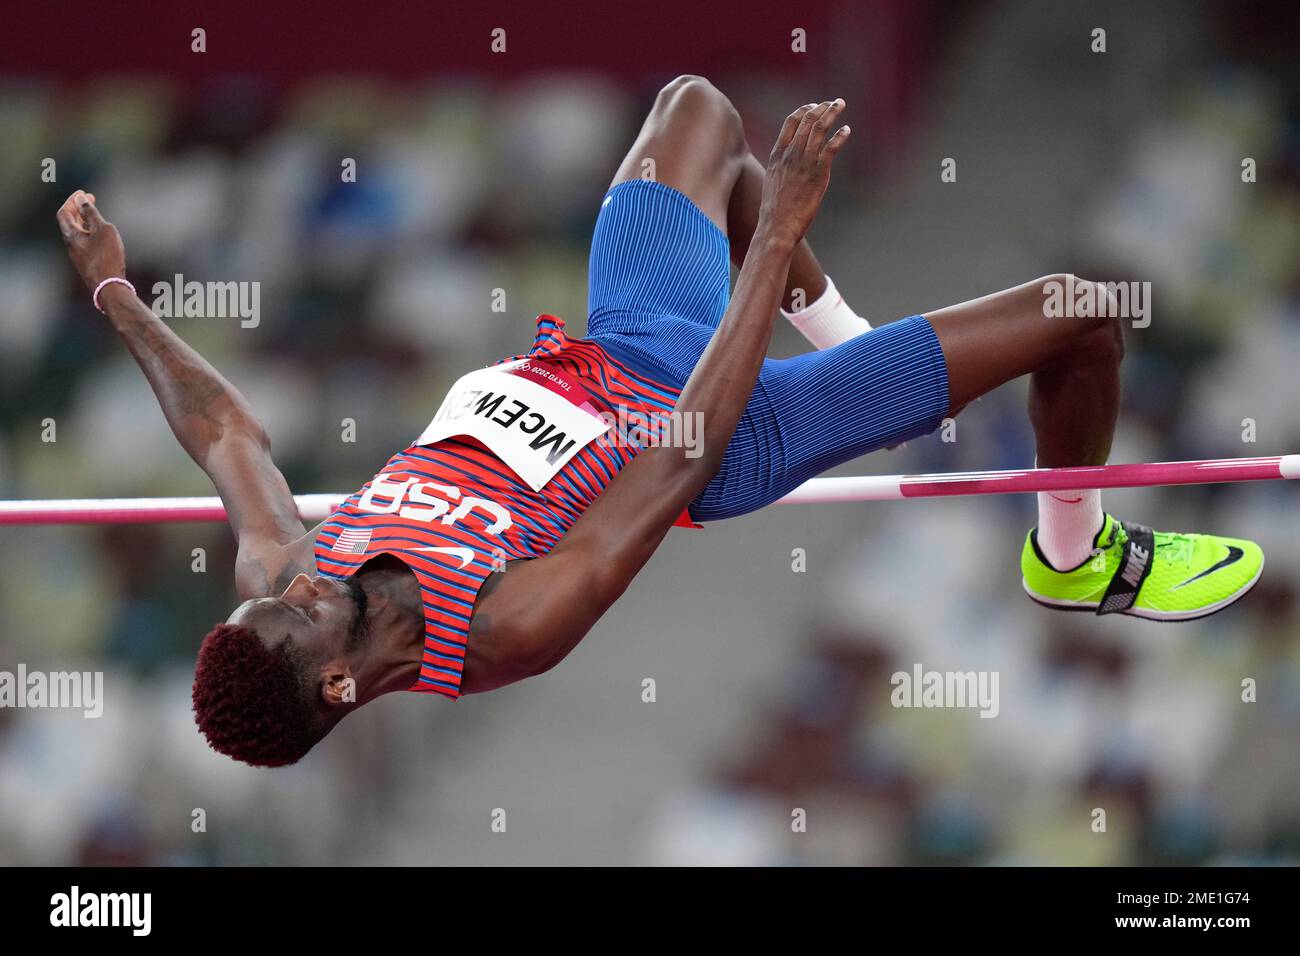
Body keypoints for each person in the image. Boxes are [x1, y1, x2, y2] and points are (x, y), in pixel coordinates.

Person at [56, 79, 1262, 768]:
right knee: (1078, 314)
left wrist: (117, 295)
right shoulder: (509, 624)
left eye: (281, 582)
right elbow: (685, 449)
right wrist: (780, 236)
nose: (306, 571)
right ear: (333, 685)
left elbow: (227, 437)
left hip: (617, 334)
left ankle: (869, 355)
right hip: (725, 422)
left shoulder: (284, 577)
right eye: (306, 605)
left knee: (703, 119)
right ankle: (1076, 554)